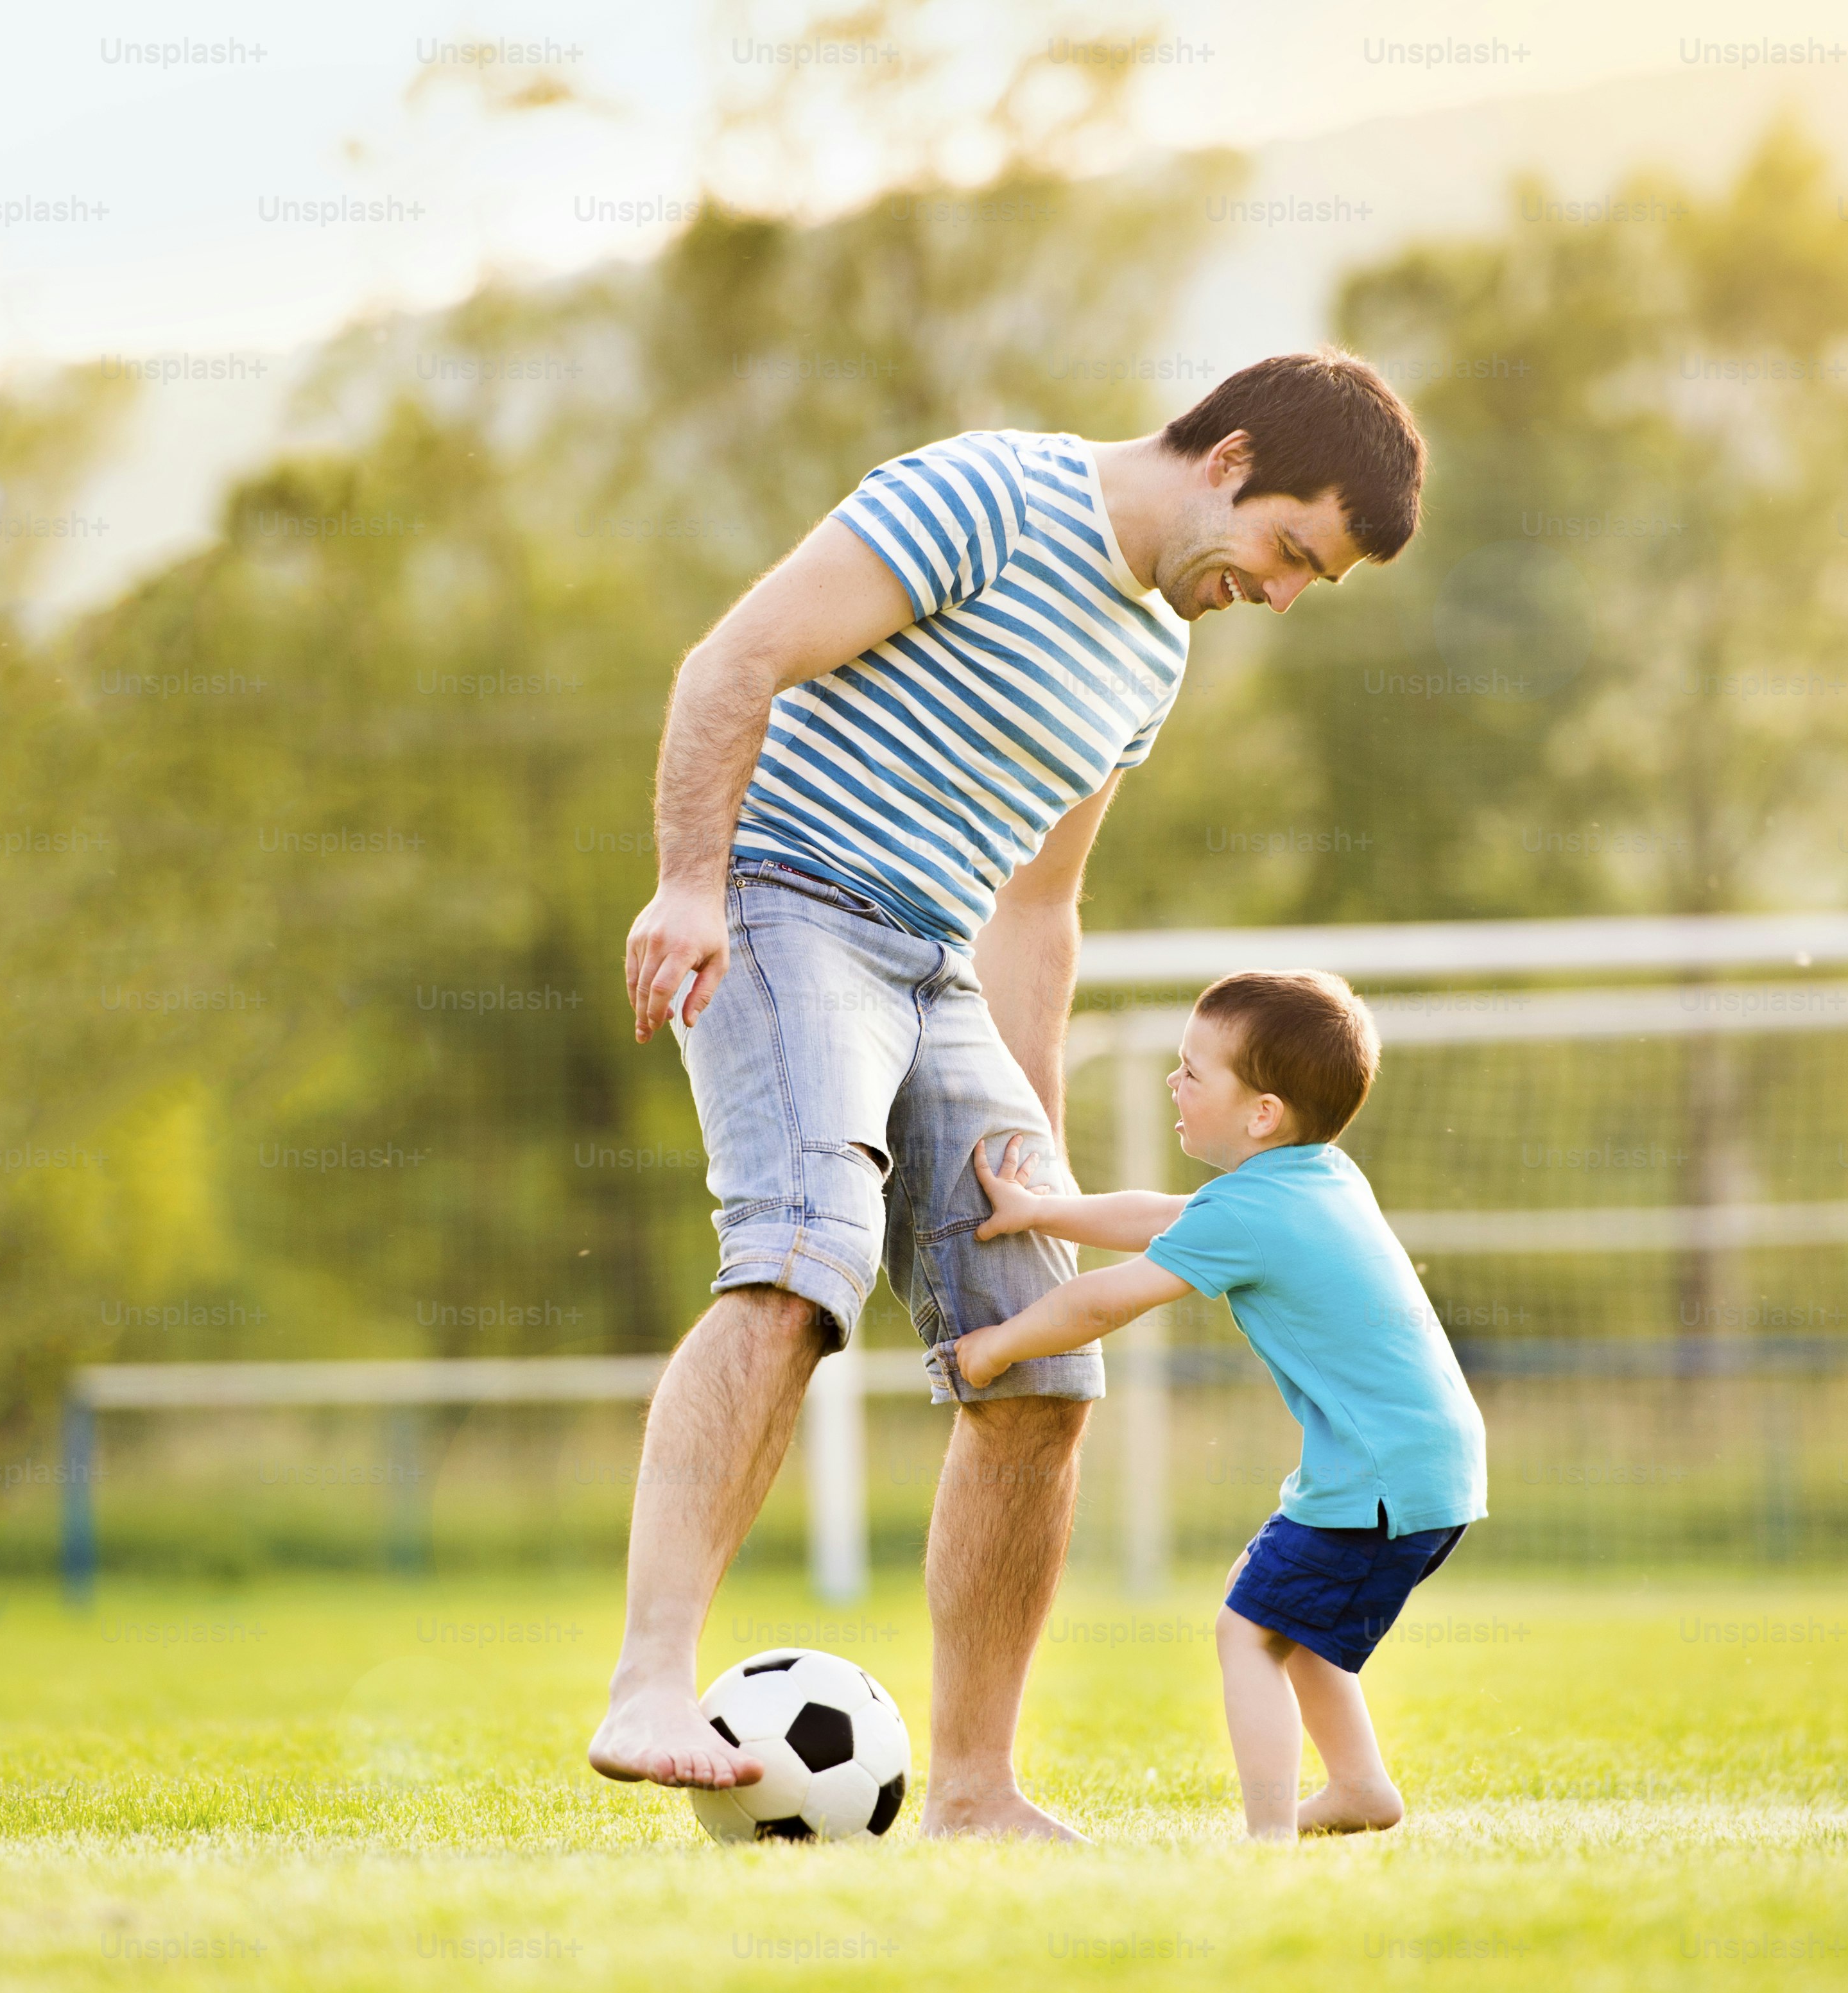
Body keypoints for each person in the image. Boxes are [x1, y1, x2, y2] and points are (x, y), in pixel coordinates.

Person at [587, 353, 1429, 1839]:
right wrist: (687, 883)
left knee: (1041, 1366)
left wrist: (1025, 1157)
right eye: (1290, 550)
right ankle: (650, 1681)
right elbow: (731, 660)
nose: (1281, 593)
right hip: (788, 906)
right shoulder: (986, 495)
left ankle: (975, 1784)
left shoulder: (1151, 656)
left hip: (937, 964)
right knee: (800, 1253)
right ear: (1229, 458)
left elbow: (1038, 910)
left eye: (1314, 583)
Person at [947, 971, 1487, 1838]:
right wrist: (1042, 1213)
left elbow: (1102, 1303)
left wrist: (994, 1346)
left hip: (1381, 1477)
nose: (1174, 1082)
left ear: (1261, 1113)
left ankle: (1268, 1840)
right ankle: (1358, 1789)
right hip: (1429, 1467)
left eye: (1194, 1072)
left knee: (1247, 1634)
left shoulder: (1255, 1210)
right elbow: (1163, 1216)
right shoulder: (1316, 1177)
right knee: (1279, 1613)